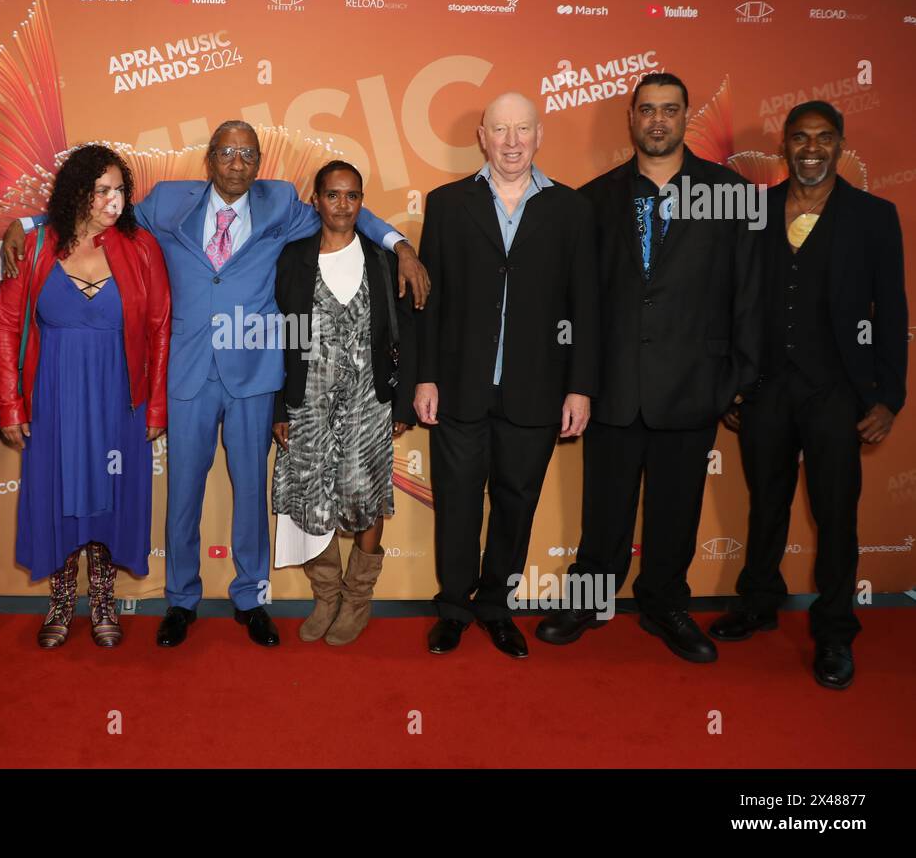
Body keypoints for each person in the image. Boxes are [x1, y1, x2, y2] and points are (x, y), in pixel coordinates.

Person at [3, 121, 430, 647]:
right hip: (187, 370)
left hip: (253, 373)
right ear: (210, 158)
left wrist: (401, 244)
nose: (237, 162)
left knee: (250, 492)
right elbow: (97, 211)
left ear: (258, 162)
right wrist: (28, 222)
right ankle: (182, 599)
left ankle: (250, 597)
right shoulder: (167, 202)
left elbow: (344, 209)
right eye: (227, 152)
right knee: (183, 493)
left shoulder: (280, 203)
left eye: (248, 154)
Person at [536, 72, 761, 663]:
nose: (657, 121)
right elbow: (576, 301)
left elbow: (750, 294)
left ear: (686, 116)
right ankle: (590, 597)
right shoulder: (595, 198)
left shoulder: (729, 195)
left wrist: (734, 381)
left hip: (693, 385)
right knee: (602, 508)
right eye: (647, 110)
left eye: (670, 110)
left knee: (676, 510)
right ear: (630, 118)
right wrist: (576, 380)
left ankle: (665, 603)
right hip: (611, 385)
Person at [712, 101, 907, 690]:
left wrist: (888, 397)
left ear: (840, 145)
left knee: (835, 514)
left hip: (836, 391)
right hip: (766, 386)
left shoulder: (874, 215)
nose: (812, 149)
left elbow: (892, 312)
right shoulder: (754, 211)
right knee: (765, 503)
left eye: (824, 138)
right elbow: (731, 300)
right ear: (785, 147)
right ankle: (759, 602)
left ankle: (835, 631)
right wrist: (730, 377)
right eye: (801, 138)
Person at [415, 92, 599, 657]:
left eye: (523, 130)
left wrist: (580, 385)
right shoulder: (448, 205)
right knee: (458, 500)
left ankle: (496, 606)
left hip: (537, 391)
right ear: (482, 137)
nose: (512, 141)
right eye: (501, 130)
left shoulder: (570, 209)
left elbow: (585, 304)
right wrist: (425, 377)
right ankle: (452, 607)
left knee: (517, 502)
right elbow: (430, 301)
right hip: (460, 387)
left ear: (539, 136)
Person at [0, 144, 170, 648]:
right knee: (60, 493)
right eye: (101, 191)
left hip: (120, 395)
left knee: (111, 495)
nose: (113, 201)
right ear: (77, 192)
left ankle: (105, 599)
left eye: (119, 191)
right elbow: (7, 328)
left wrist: (156, 406)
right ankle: (63, 599)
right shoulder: (36, 244)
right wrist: (9, 403)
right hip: (54, 394)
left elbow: (159, 329)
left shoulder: (141, 247)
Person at [271, 160, 417, 645]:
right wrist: (279, 408)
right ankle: (326, 595)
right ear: (316, 200)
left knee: (364, 494)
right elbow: (279, 337)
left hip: (368, 399)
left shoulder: (382, 258)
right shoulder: (293, 257)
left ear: (361, 201)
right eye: (332, 195)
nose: (342, 205)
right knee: (311, 499)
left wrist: (400, 405)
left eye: (352, 196)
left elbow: (405, 334)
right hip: (307, 400)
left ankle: (358, 598)